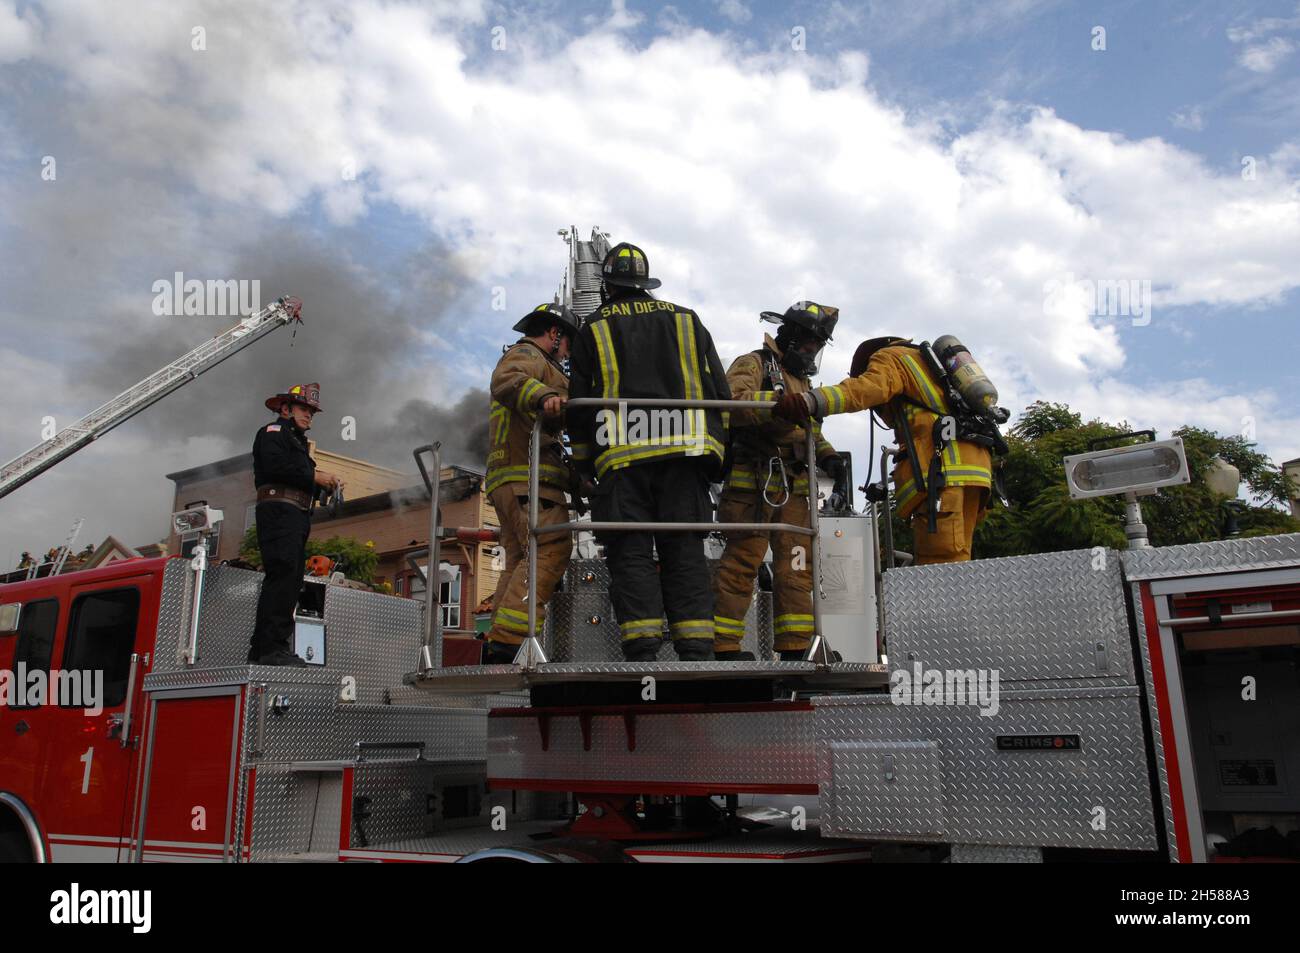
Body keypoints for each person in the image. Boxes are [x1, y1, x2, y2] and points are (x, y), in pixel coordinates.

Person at [567, 243, 731, 661]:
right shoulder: (687, 319)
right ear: (646, 285)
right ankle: (695, 647)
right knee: (684, 548)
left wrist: (584, 466)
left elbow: (579, 404)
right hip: (686, 456)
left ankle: (642, 648)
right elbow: (719, 390)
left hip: (622, 461)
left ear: (608, 287)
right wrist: (719, 456)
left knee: (631, 549)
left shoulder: (594, 327)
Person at [773, 338, 993, 564]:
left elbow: (866, 389)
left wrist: (810, 400)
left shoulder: (890, 357)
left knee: (941, 563)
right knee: (960, 557)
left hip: (943, 476)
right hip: (974, 470)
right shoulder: (927, 364)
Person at [713, 302, 846, 660]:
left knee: (797, 568)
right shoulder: (753, 363)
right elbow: (729, 404)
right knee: (742, 564)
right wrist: (776, 403)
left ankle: (796, 648)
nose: (812, 350)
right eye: (807, 341)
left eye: (817, 345)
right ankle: (723, 647)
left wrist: (830, 455)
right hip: (752, 482)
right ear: (789, 336)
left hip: (796, 487)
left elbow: (810, 431)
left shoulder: (802, 381)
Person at [483, 303, 582, 664]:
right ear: (555, 334)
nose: (568, 353)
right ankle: (511, 643)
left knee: (521, 559)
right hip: (528, 478)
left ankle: (498, 646)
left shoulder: (539, 362)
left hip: (509, 479)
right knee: (550, 549)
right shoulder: (528, 354)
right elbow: (507, 381)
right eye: (568, 343)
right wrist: (546, 396)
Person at [249, 382, 341, 665]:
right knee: (283, 575)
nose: (309, 416)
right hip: (279, 511)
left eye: (312, 412)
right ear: (285, 408)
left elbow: (297, 474)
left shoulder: (296, 442)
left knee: (289, 579)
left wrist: (322, 484)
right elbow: (277, 467)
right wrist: (315, 476)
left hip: (294, 514)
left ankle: (268, 647)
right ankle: (270, 649)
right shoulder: (272, 433)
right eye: (304, 409)